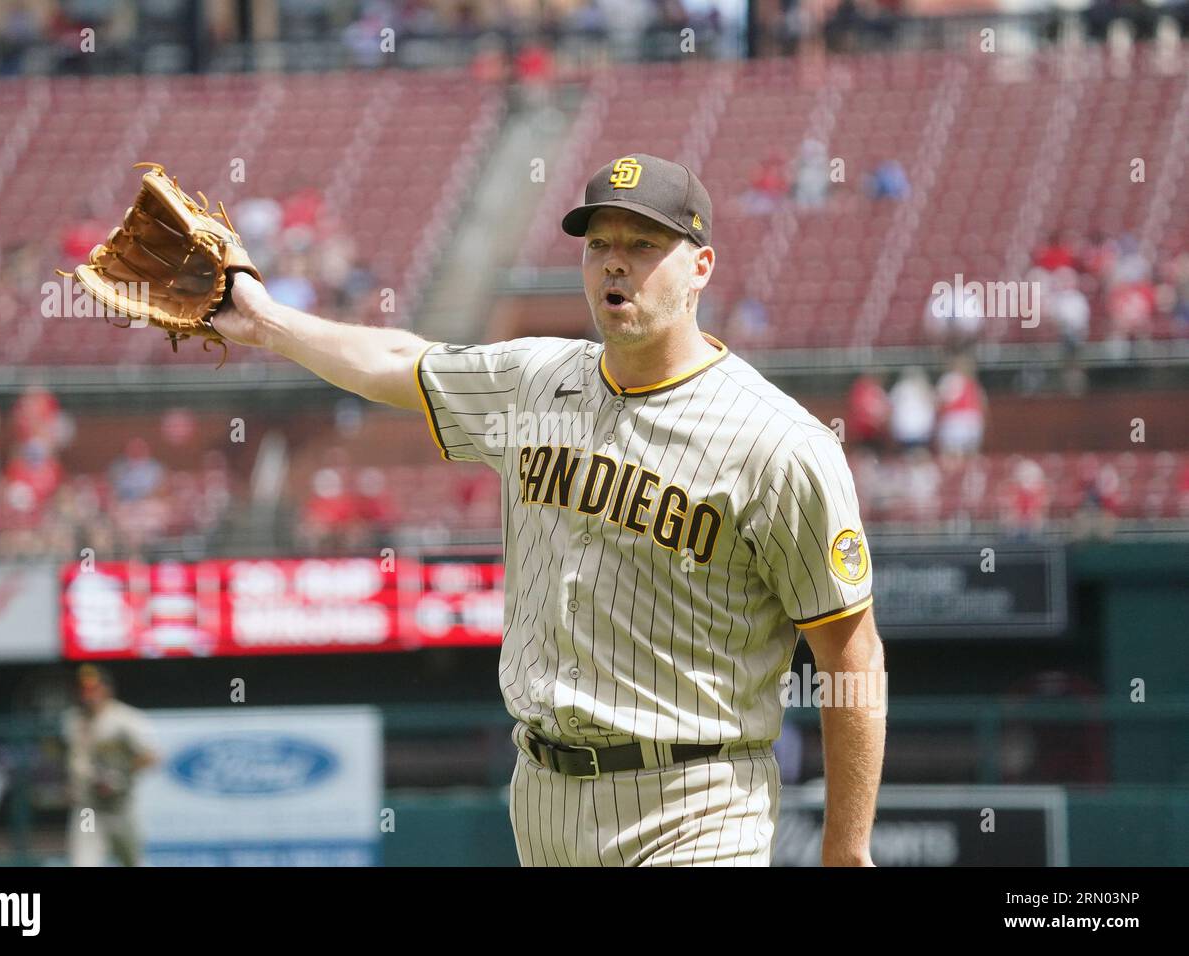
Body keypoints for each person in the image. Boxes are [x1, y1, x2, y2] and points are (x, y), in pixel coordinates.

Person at [212, 153, 884, 867]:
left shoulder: (778, 443)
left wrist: (846, 849)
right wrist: (264, 318)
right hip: (542, 799)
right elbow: (394, 358)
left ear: (701, 266)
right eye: (599, 245)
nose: (614, 265)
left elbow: (850, 652)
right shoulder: (535, 383)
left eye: (643, 245)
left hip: (696, 801)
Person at [62, 665, 158, 867]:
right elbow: (74, 760)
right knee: (83, 864)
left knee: (131, 862)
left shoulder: (125, 719)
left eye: (93, 688)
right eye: (83, 689)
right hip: (89, 808)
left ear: (106, 689)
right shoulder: (71, 719)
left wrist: (120, 776)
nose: (88, 694)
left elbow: (150, 757)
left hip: (119, 807)